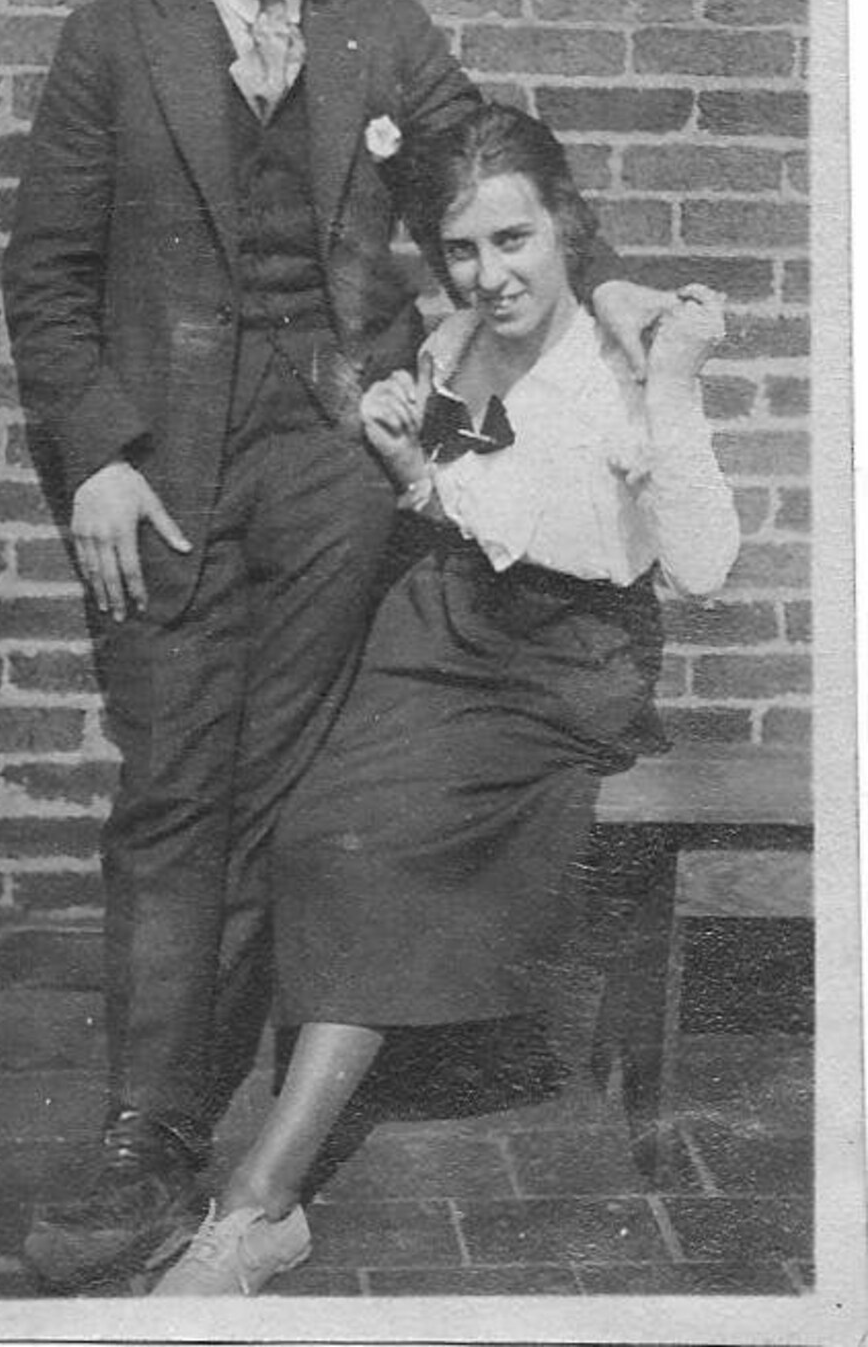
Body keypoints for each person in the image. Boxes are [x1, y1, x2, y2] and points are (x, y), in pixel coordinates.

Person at [1, 0, 671, 1291]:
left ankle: (215, 1122)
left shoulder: (384, 36)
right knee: (175, 781)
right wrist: (97, 456)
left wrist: (616, 296)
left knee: (280, 776)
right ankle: (144, 1134)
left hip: (331, 478)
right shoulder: (115, 41)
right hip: (161, 477)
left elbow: (507, 189)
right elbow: (45, 279)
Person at [151, 102, 740, 1297]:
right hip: (442, 620)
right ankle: (314, 1103)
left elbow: (705, 565)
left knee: (372, 842)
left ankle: (260, 1207)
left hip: (563, 658)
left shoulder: (626, 361)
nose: (490, 274)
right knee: (312, 821)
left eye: (514, 241)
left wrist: (675, 388)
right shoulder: (459, 335)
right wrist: (406, 457)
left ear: (567, 227)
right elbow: (466, 497)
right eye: (463, 249)